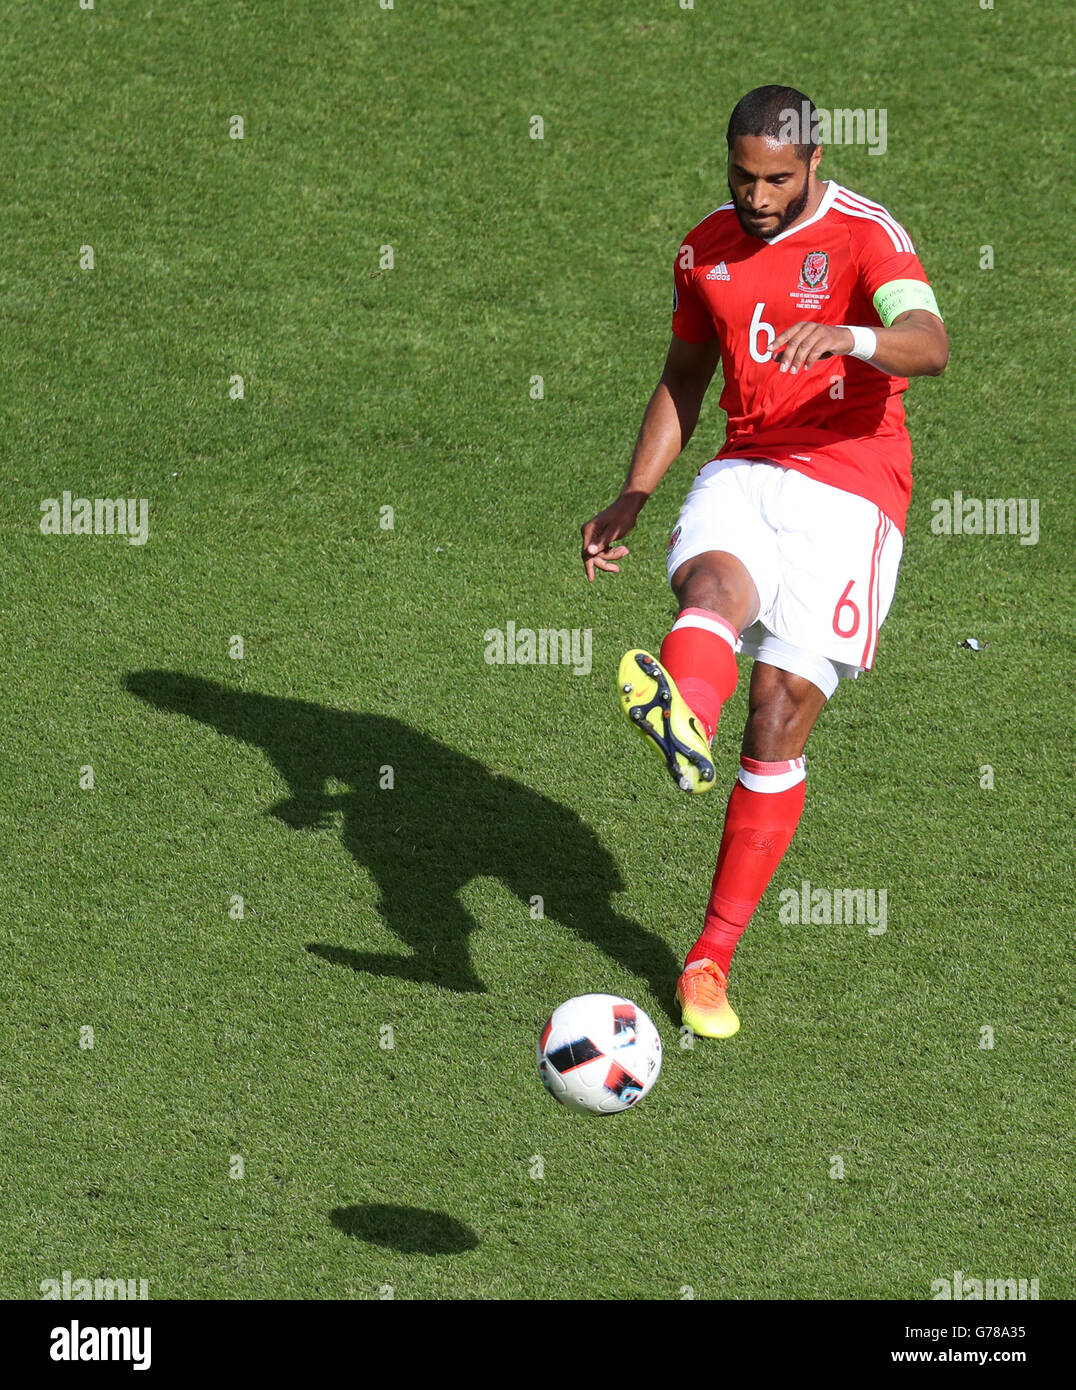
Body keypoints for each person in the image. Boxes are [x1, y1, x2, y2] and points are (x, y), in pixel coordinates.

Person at [579, 85, 948, 1038]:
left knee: (780, 711)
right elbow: (684, 375)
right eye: (742, 177)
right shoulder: (705, 249)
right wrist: (634, 492)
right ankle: (683, 718)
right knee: (708, 588)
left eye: (778, 179)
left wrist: (854, 334)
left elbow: (930, 345)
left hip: (855, 486)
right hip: (747, 463)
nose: (758, 197)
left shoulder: (868, 235)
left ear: (814, 162)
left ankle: (709, 960)